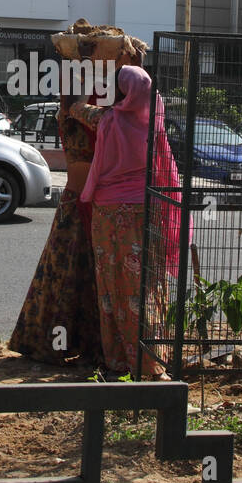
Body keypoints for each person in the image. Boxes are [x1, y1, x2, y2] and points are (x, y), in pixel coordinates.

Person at [70, 64, 182, 379]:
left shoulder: (106, 120)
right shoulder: (155, 126)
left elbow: (76, 107)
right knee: (147, 286)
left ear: (121, 92)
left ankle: (118, 360)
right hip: (147, 211)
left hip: (107, 215)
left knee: (112, 287)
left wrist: (85, 80)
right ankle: (149, 360)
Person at [8, 90, 104, 367]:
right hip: (83, 204)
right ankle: (82, 343)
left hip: (78, 201)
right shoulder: (81, 114)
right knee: (73, 274)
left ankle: (55, 342)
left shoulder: (71, 112)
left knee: (62, 274)